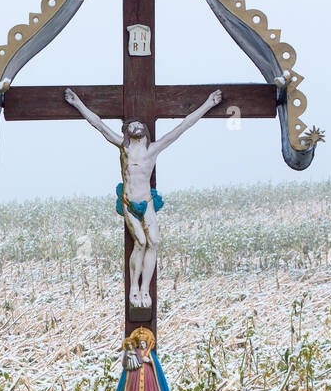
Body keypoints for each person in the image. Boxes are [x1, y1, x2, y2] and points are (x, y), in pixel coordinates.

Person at [64, 87, 222, 308]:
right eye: (132, 125)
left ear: (145, 130)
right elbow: (98, 123)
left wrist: (209, 103)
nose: (136, 126)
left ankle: (145, 288)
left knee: (154, 241)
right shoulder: (124, 148)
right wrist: (77, 103)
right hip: (129, 202)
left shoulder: (153, 150)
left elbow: (183, 125)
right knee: (140, 241)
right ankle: (134, 289)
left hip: (146, 202)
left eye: (140, 125)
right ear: (127, 131)